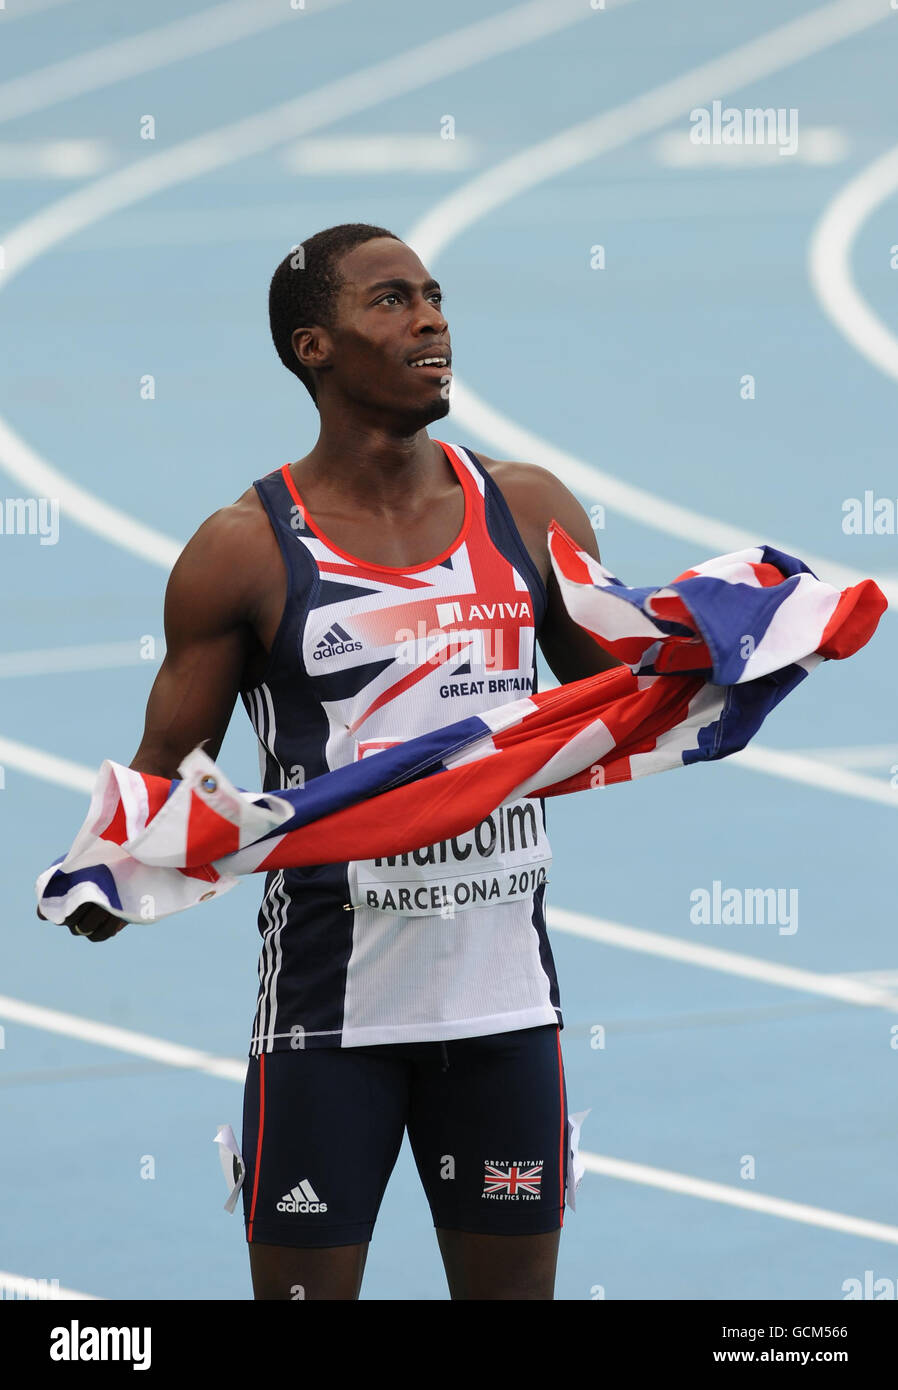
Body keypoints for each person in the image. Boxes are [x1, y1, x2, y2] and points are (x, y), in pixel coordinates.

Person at [47, 222, 622, 1300]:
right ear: (315, 346)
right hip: (327, 1021)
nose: (431, 319)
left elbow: (625, 694)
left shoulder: (526, 513)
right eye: (391, 301)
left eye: (435, 296)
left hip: (505, 1015)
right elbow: (168, 765)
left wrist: (743, 646)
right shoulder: (247, 549)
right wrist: (105, 874)